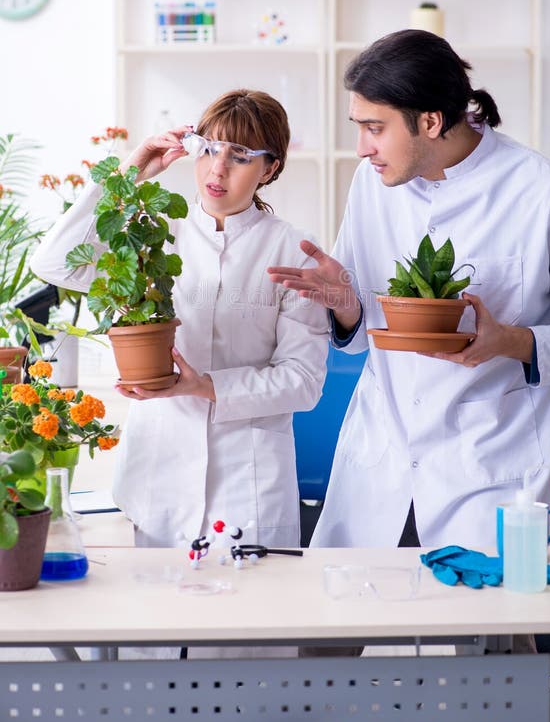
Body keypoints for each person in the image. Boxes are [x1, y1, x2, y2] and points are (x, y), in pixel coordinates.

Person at [268, 29, 550, 551]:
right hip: (381, 461)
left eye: (375, 128)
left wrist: (512, 342)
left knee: (493, 629)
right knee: (338, 619)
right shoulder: (373, 184)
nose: (362, 148)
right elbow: (361, 334)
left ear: (429, 120)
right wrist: (347, 306)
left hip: (488, 470)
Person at [31, 89, 329, 550]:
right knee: (160, 619)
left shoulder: (294, 251)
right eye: (209, 147)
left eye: (240, 155)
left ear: (269, 168)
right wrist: (132, 169)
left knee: (252, 618)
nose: (218, 168)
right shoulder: (153, 232)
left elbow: (303, 382)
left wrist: (204, 386)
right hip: (157, 480)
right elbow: (55, 264)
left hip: (248, 488)